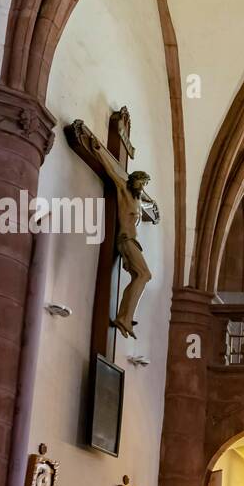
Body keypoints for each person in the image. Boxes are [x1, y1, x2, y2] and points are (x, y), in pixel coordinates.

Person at [70, 119, 160, 339]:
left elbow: (148, 204)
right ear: (133, 181)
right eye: (141, 182)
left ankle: (124, 315)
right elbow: (112, 171)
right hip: (125, 239)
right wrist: (98, 151)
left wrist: (154, 209)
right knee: (145, 275)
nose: (143, 187)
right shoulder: (124, 190)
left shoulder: (139, 200)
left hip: (133, 241)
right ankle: (125, 317)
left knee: (140, 276)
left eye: (145, 184)